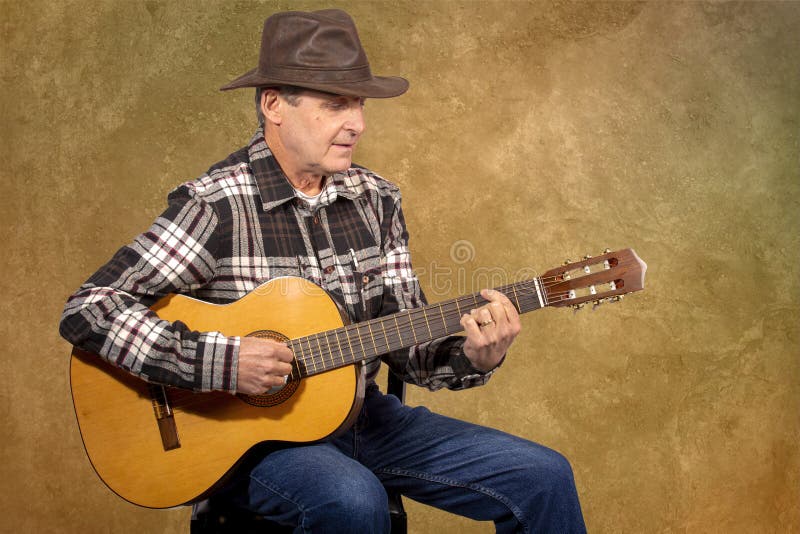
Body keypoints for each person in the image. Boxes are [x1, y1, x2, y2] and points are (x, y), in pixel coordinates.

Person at [60, 9, 586, 533]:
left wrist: (473, 355)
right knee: (351, 500)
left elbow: (412, 350)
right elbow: (90, 308)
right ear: (274, 105)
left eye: (359, 104)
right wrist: (225, 364)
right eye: (336, 104)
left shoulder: (377, 200)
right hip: (256, 443)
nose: (357, 123)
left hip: (363, 419)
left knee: (543, 476)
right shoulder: (217, 204)